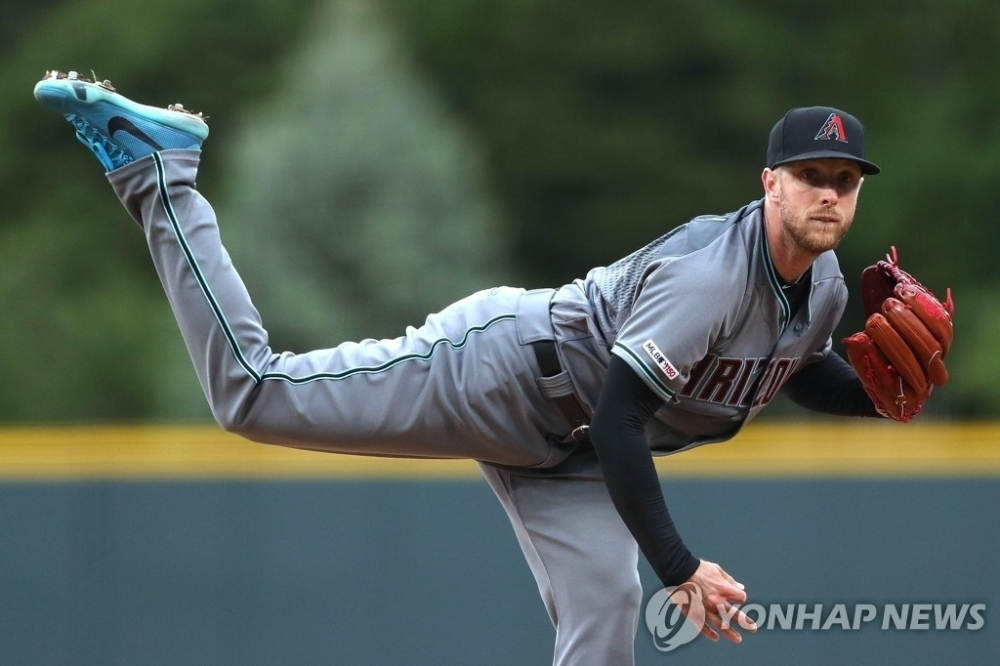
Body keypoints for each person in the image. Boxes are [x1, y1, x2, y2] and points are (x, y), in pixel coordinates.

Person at [35, 70, 886, 665]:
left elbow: (790, 370)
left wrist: (882, 400)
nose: (829, 195)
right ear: (770, 181)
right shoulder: (711, 275)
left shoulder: (820, 289)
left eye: (844, 182)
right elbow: (629, 418)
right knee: (251, 395)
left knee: (607, 611)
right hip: (503, 373)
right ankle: (160, 168)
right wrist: (680, 566)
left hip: (575, 450)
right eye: (812, 176)